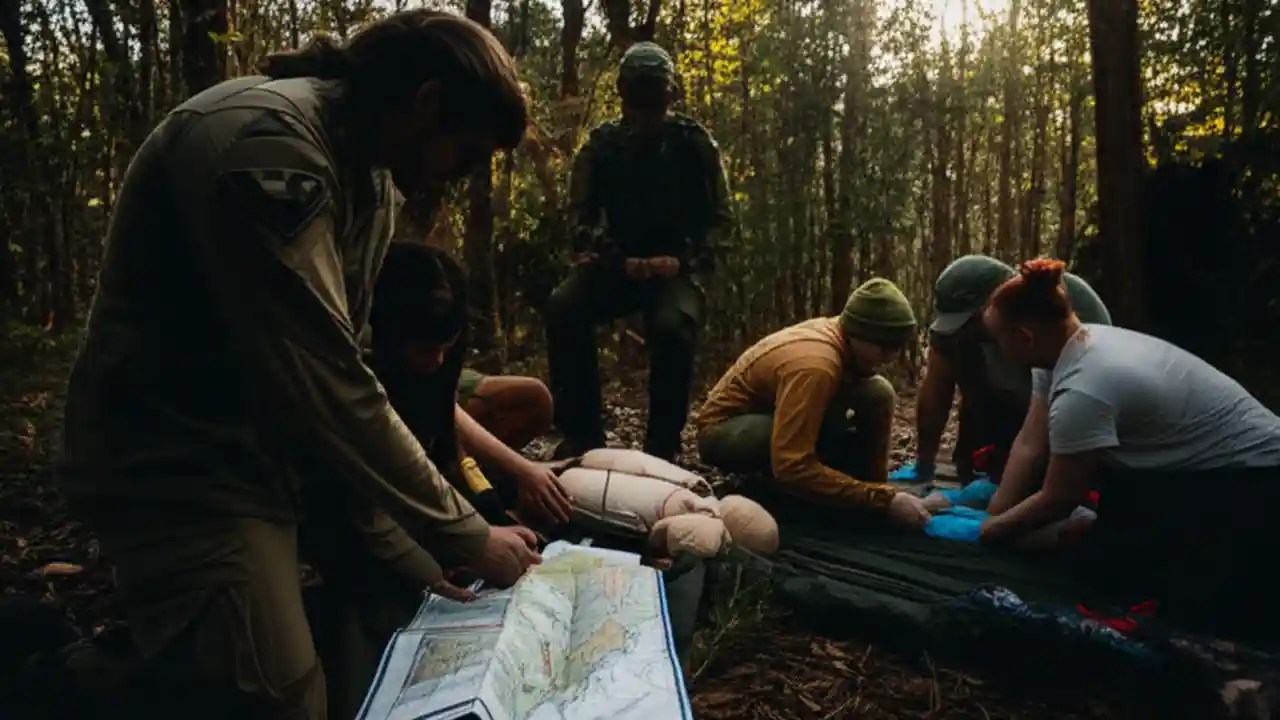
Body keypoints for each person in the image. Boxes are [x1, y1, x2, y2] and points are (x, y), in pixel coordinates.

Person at [54, 11, 541, 719]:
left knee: (406, 595)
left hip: (274, 456)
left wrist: (423, 548)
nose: (461, 177)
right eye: (463, 153)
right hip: (179, 467)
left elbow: (344, 382)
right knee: (284, 699)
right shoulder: (264, 145)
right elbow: (327, 383)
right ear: (428, 104)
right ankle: (67, 683)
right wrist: (463, 531)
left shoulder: (369, 180)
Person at [978, 259, 1280, 644]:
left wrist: (991, 533)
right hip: (1187, 470)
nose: (997, 349)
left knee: (1112, 574)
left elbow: (1060, 497)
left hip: (1253, 481)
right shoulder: (1063, 351)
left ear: (1023, 338)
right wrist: (994, 514)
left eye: (998, 338)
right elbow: (1029, 443)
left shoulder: (1084, 389)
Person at [544, 41, 733, 462]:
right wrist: (615, 258)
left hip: (676, 270)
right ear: (624, 99)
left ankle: (661, 448)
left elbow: (722, 222)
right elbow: (578, 218)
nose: (647, 116)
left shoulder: (695, 145)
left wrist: (684, 262)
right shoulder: (602, 145)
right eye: (638, 103)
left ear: (670, 98)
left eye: (655, 103)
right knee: (564, 306)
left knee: (672, 327)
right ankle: (583, 434)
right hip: (617, 264)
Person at [696, 278, 933, 530]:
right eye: (883, 348)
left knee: (878, 391)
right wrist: (881, 501)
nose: (890, 358)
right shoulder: (816, 366)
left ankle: (856, 487)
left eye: (896, 348)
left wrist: (883, 494)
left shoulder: (842, 341)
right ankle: (766, 489)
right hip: (725, 431)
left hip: (775, 412)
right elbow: (791, 466)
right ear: (857, 333)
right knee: (785, 454)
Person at [368, 241, 572, 527]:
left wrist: (519, 472)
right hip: (388, 422)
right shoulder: (369, 349)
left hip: (437, 413)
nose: (438, 361)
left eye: (445, 349)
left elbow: (444, 415)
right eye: (426, 351)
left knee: (533, 400)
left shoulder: (449, 313)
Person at [902, 254, 1111, 486]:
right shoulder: (957, 336)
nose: (967, 330)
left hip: (1059, 423)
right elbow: (936, 392)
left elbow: (1093, 393)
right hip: (991, 418)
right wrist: (925, 462)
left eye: (971, 321)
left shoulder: (1071, 304)